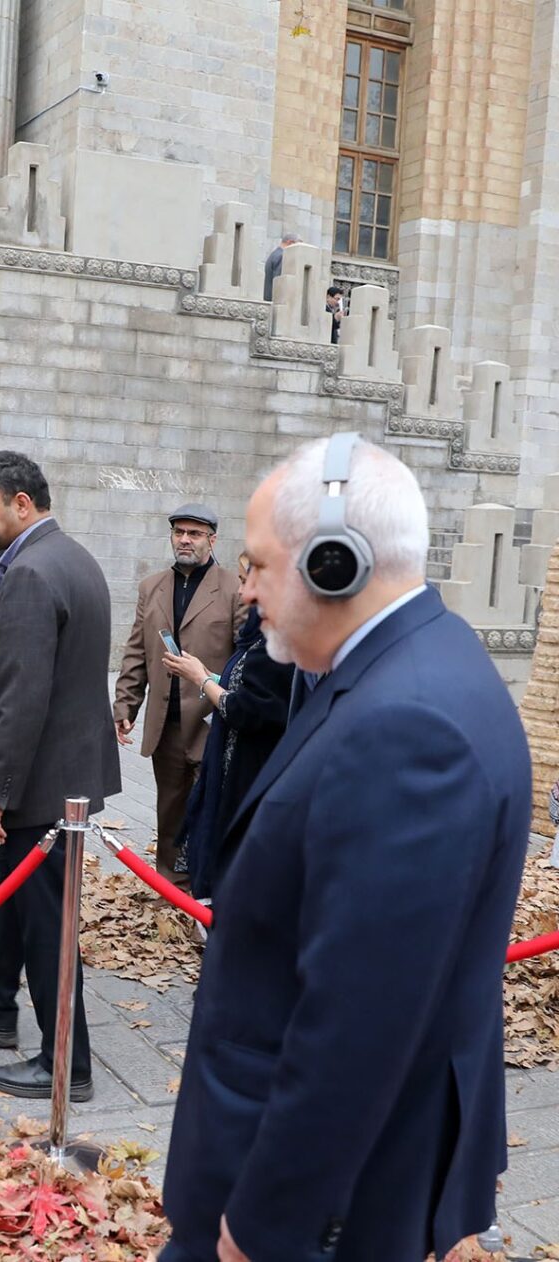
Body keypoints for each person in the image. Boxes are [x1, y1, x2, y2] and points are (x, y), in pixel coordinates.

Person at [161, 434, 531, 1262]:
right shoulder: (414, 664)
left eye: (257, 564)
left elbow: (358, 1021)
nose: (246, 589)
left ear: (335, 563)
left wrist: (265, 1225)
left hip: (310, 1209)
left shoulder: (410, 726)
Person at [0, 450, 120, 1101]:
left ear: (21, 503)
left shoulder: (33, 573)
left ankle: (69, 1062)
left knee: (46, 926)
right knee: (19, 904)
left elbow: (23, 696)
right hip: (61, 776)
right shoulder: (71, 557)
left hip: (38, 786)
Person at [113, 504, 245, 886]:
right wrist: (126, 703)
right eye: (179, 533)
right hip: (166, 724)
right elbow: (136, 651)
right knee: (169, 811)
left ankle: (208, 887)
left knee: (211, 810)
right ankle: (169, 888)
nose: (185, 540)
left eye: (195, 534)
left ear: (212, 540)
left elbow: (244, 654)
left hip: (212, 721)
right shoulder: (151, 588)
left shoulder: (233, 588)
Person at [162, 566, 293, 899]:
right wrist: (209, 674)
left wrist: (200, 680)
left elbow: (245, 709)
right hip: (233, 762)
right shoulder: (258, 636)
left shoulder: (275, 644)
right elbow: (245, 689)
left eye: (247, 579)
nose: (241, 591)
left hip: (249, 769)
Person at [262, 232, 300, 302]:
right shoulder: (282, 256)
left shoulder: (274, 254)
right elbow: (279, 281)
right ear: (290, 243)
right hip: (276, 302)